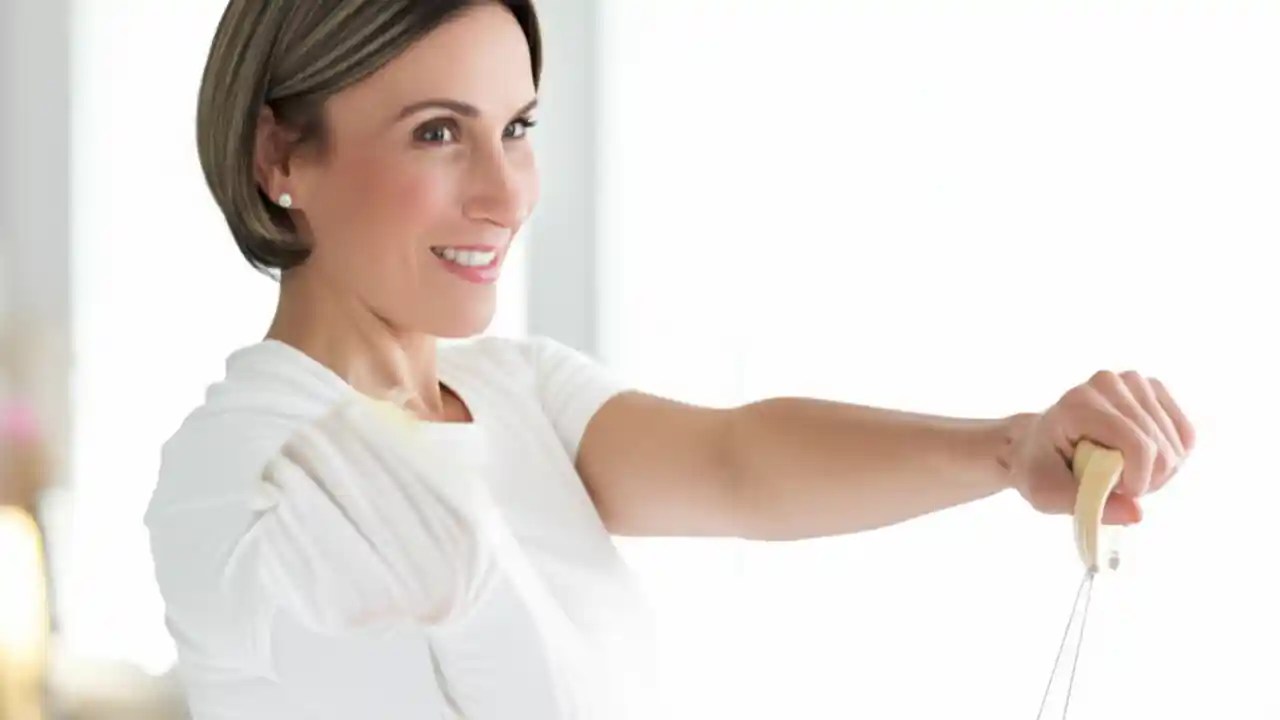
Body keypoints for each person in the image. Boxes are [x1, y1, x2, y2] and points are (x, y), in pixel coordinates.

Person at [143, 1, 1198, 718]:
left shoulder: (512, 391)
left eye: (517, 127)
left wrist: (1012, 449)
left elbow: (738, 464)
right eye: (436, 133)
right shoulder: (242, 474)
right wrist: (474, 597)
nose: (506, 195)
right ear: (279, 154)